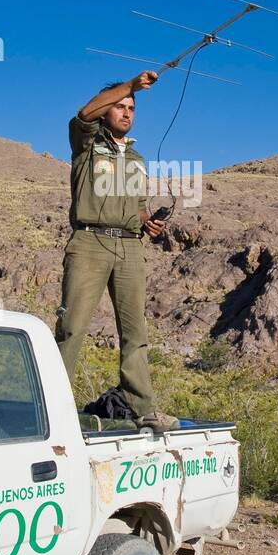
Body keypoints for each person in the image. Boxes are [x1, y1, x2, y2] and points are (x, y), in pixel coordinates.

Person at [55, 72, 179, 432]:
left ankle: (143, 407)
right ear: (106, 109)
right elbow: (84, 113)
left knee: (135, 331)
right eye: (119, 106)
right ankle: (53, 408)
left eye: (131, 108)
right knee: (72, 326)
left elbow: (137, 207)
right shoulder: (86, 143)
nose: (126, 112)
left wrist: (148, 222)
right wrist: (129, 85)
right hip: (89, 243)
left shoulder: (137, 158)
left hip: (129, 246)